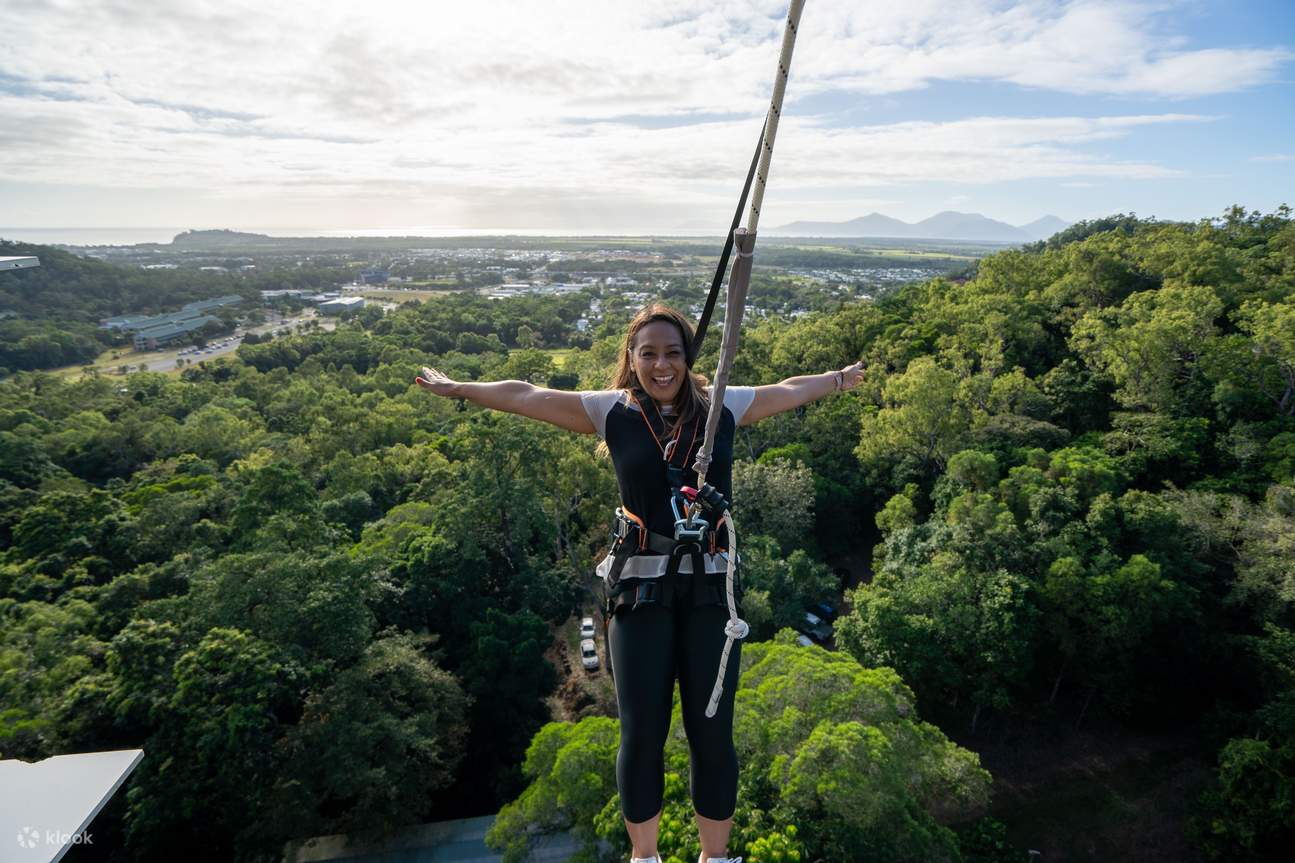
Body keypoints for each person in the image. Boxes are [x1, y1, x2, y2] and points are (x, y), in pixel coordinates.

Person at [416, 304, 864, 863]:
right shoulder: (613, 412)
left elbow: (788, 389)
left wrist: (839, 380)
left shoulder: (721, 404)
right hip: (639, 587)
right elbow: (527, 395)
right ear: (630, 359)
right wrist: (461, 388)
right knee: (642, 731)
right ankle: (645, 857)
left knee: (711, 730)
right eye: (647, 353)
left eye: (672, 353)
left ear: (688, 359)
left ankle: (714, 857)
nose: (661, 365)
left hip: (708, 587)